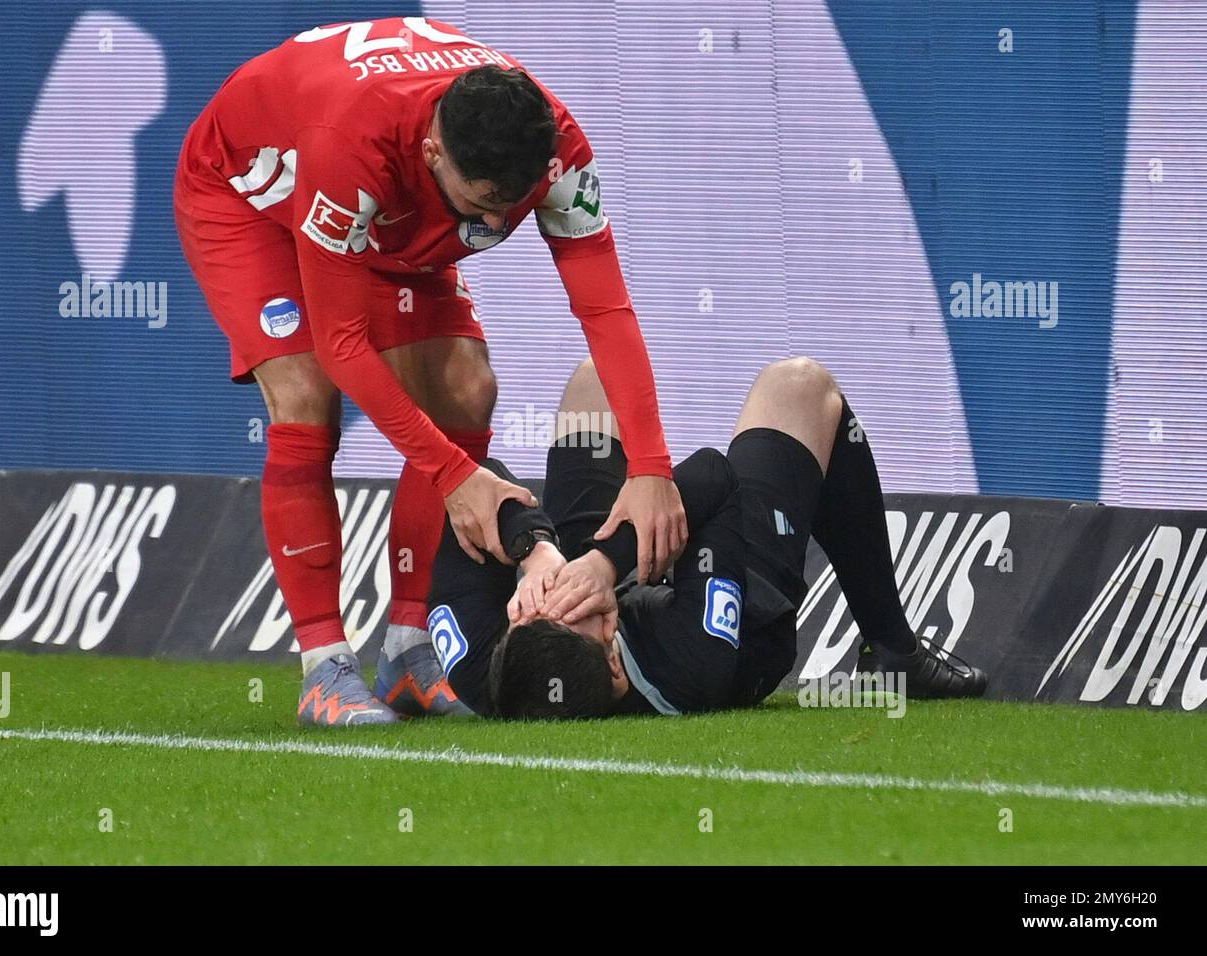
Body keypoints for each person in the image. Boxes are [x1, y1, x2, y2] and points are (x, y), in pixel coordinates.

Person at [173, 17, 687, 726]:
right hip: (252, 192)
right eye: (482, 207)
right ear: (433, 147)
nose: (495, 222)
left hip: (388, 211)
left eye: (512, 208)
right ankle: (324, 669)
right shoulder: (353, 141)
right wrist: (452, 477)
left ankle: (411, 654)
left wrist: (652, 466)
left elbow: (605, 307)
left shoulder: (558, 147)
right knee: (306, 392)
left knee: (468, 390)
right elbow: (343, 341)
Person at [427, 356, 988, 718]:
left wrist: (537, 553)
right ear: (615, 666)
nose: (559, 591)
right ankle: (894, 648)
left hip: (600, 598)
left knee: (597, 378)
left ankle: (579, 570)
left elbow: (476, 488)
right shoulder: (694, 661)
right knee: (799, 386)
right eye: (576, 605)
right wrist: (606, 565)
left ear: (512, 628)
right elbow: (710, 479)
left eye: (543, 602)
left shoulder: (482, 667)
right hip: (740, 600)